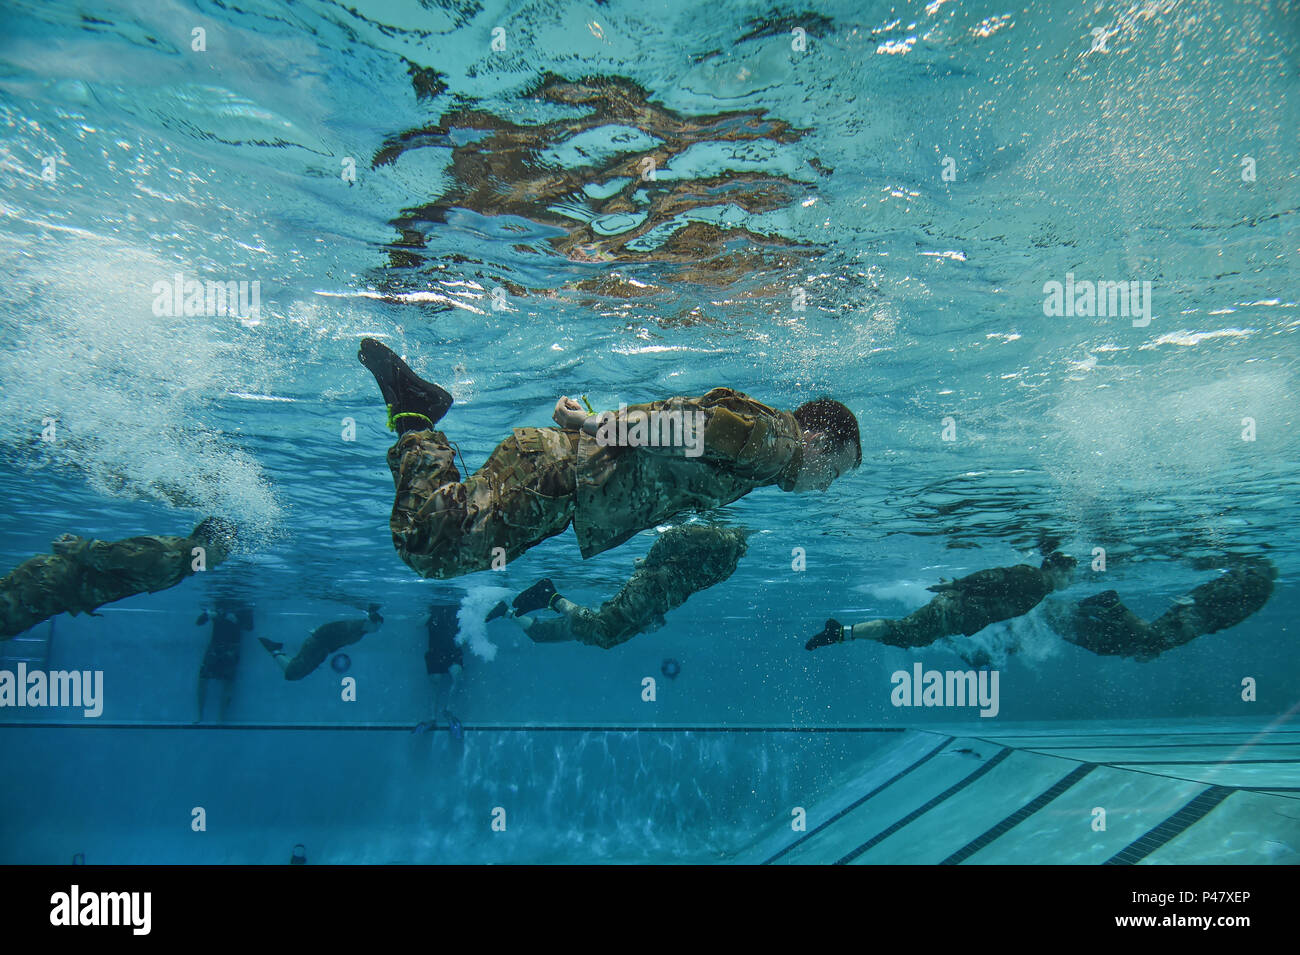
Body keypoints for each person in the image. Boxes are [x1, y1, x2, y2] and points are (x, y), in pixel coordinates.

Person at [357, 338, 859, 581]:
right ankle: (415, 413)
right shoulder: (779, 447)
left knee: (434, 547)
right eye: (833, 472)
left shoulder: (768, 455)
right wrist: (587, 425)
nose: (826, 486)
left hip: (563, 487)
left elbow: (676, 439)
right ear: (817, 442)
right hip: (556, 475)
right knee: (424, 545)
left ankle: (415, 416)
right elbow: (686, 428)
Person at [494, 524, 749, 649]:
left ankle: (527, 613)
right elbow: (674, 536)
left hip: (657, 599)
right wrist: (649, 562)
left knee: (606, 636)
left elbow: (686, 577)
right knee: (604, 633)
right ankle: (551, 596)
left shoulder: (732, 560)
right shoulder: (724, 539)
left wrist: (659, 612)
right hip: (650, 589)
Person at [0, 517, 237, 640]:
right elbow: (111, 555)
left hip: (55, 591)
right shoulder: (168, 557)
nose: (224, 559)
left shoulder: (184, 562)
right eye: (223, 551)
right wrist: (78, 546)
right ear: (206, 543)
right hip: (47, 584)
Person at [805, 551, 1078, 651]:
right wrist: (958, 585)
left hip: (956, 613)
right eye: (1069, 574)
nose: (1071, 581)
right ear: (1054, 568)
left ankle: (841, 633)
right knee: (905, 632)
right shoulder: (1034, 579)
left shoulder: (1039, 588)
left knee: (910, 635)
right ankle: (838, 633)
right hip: (954, 610)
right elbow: (995, 577)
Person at [1046, 556, 1276, 661]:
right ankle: (1110, 604)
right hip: (1198, 615)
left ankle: (1083, 614)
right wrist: (1197, 601)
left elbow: (1227, 594)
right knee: (1152, 640)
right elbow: (1226, 592)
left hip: (1200, 615)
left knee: (1115, 645)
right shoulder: (1259, 581)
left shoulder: (1258, 582)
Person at [259, 605, 383, 681]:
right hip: (317, 646)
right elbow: (330, 628)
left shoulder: (361, 631)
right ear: (371, 622)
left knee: (298, 672)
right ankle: (274, 650)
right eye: (377, 627)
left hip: (322, 650)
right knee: (293, 674)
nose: (377, 630)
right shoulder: (352, 626)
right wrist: (317, 635)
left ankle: (276, 650)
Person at [195, 602, 254, 721]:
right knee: (203, 679)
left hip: (231, 647)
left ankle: (221, 718)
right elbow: (198, 622)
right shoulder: (218, 604)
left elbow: (250, 627)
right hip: (216, 646)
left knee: (227, 682)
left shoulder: (244, 606)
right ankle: (200, 715)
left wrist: (235, 620)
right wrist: (207, 614)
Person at [413, 601, 464, 733]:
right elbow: (418, 624)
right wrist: (431, 614)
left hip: (453, 650)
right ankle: (432, 718)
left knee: (457, 674)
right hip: (435, 651)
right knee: (435, 681)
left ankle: (449, 711)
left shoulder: (458, 608)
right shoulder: (432, 608)